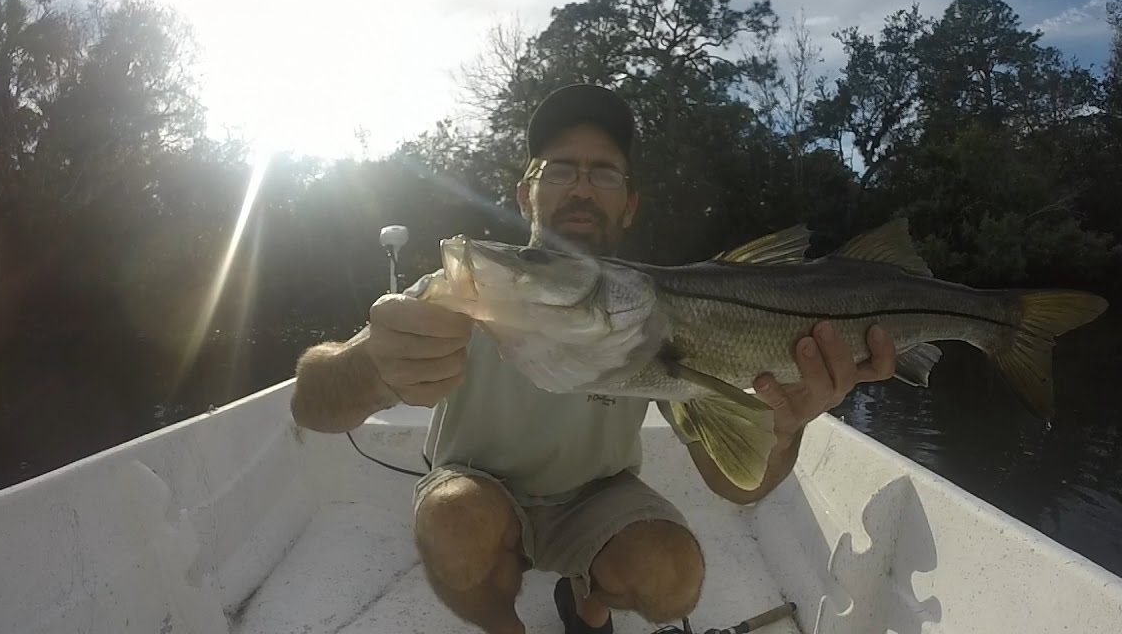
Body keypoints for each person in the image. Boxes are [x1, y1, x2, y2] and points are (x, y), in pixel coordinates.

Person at [289, 84, 898, 634]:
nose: (581, 186)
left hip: (597, 498)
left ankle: (590, 607)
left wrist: (785, 429)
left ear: (630, 204)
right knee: (455, 521)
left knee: (674, 580)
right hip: (478, 489)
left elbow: (736, 486)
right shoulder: (463, 290)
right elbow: (311, 404)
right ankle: (506, 628)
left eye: (604, 173)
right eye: (559, 170)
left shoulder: (647, 314)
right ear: (526, 193)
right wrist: (370, 366)